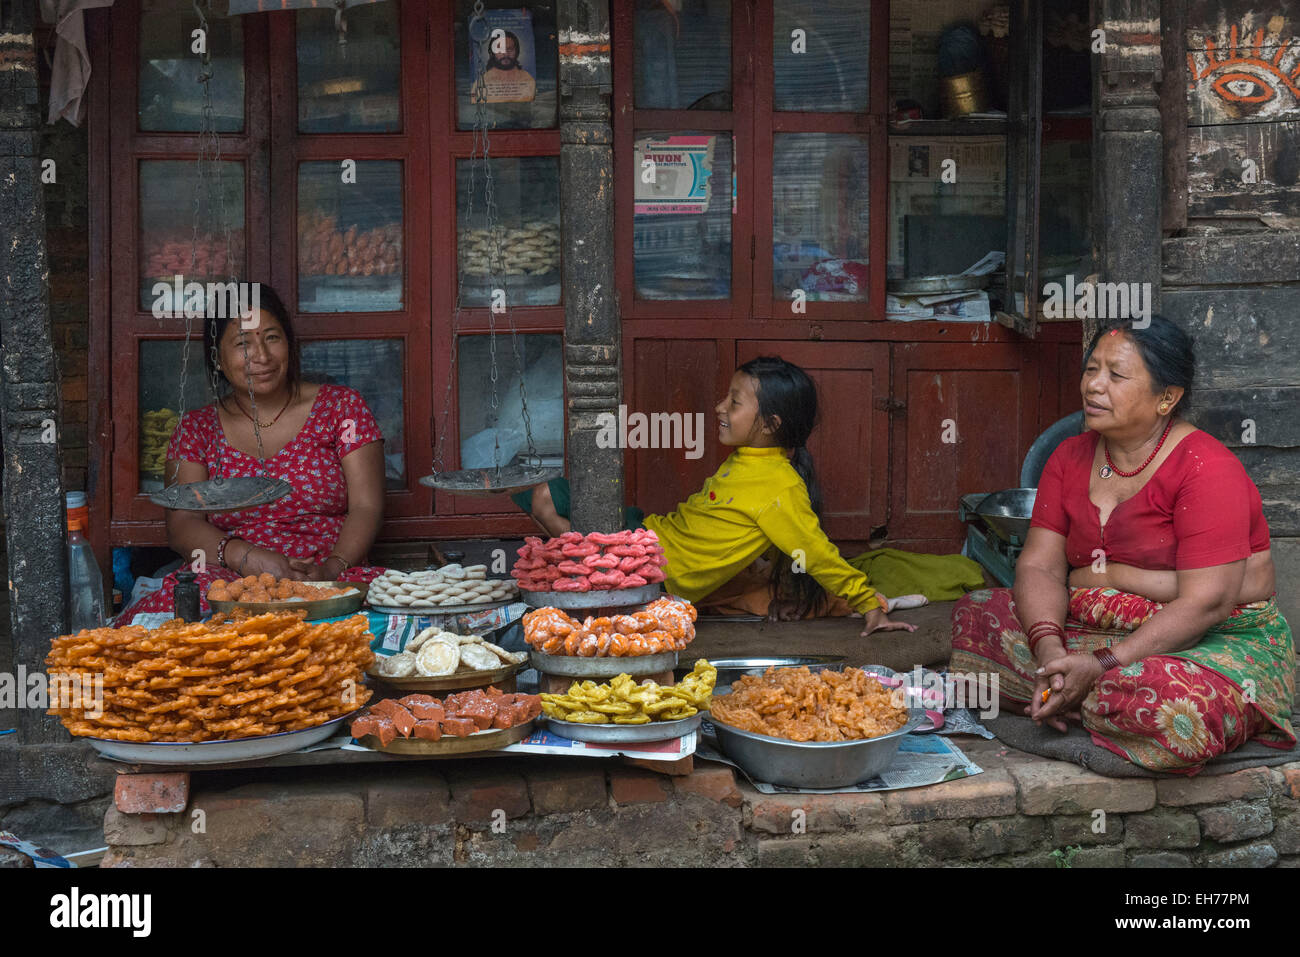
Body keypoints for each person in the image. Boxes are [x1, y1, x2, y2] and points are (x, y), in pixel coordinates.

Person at [949, 316, 1294, 773]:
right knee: (976, 614)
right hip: (1090, 628)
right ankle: (1074, 693)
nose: (1094, 386)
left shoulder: (1206, 467)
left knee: (1168, 706)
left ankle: (1072, 697)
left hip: (1204, 640)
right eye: (1091, 370)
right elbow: (1039, 569)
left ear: (1166, 398)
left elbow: (1207, 603)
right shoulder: (1070, 456)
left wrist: (1102, 662)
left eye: (1116, 375)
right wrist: (1050, 650)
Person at [513, 356, 919, 638]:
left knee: (545, 499)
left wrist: (870, 605)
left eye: (735, 402)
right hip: (648, 533)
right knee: (539, 492)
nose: (720, 406)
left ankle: (601, 588)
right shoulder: (746, 459)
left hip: (652, 572)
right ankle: (583, 571)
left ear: (770, 424)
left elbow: (816, 553)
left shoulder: (779, 486)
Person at [117, 285, 387, 620]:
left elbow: (367, 504)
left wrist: (332, 568)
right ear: (217, 358)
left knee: (391, 619)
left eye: (272, 337)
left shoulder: (341, 407)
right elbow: (182, 524)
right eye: (243, 343)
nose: (261, 355)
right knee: (170, 632)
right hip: (230, 576)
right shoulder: (196, 429)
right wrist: (247, 558)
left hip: (331, 573)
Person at [482, 30, 536, 103]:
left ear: (517, 51)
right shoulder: (483, 82)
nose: (505, 54)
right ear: (492, 52)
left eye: (510, 49)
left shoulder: (527, 80)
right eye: (500, 49)